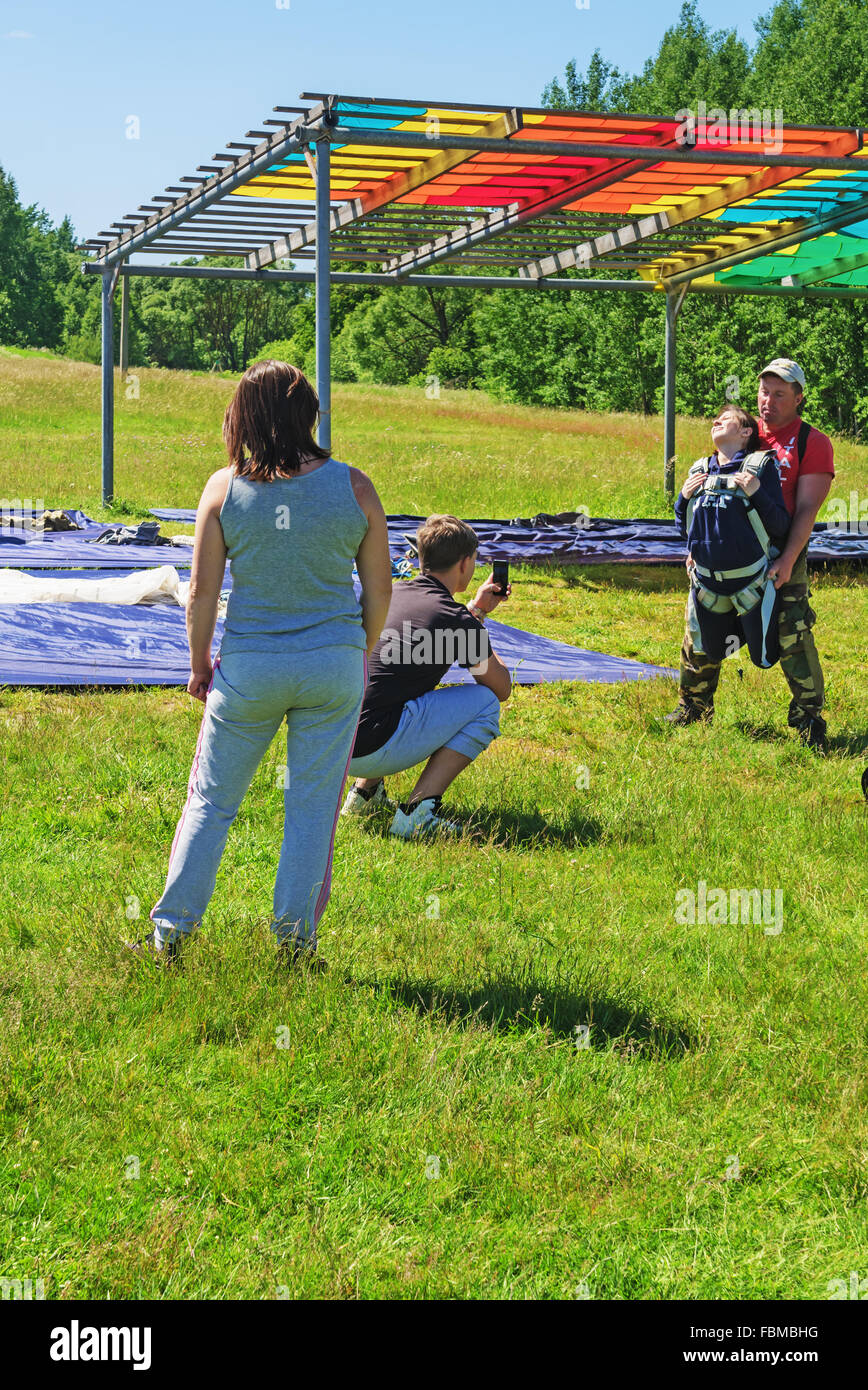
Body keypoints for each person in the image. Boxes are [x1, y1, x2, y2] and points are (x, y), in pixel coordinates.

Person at [133, 360, 392, 967]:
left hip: (249, 667)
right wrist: (358, 648)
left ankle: (171, 933)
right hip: (332, 668)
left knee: (212, 800)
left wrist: (199, 663)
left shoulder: (224, 490)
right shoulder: (356, 488)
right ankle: (293, 942)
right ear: (309, 413)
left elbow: (199, 590)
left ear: (243, 415)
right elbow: (379, 591)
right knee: (311, 807)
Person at [668, 359, 835, 750]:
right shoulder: (743, 431)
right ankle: (694, 706)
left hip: (780, 552)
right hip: (723, 555)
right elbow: (709, 491)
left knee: (791, 633)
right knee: (702, 628)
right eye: (764, 392)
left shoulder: (812, 442)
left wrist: (788, 559)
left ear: (798, 398)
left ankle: (807, 718)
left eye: (779, 394)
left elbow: (807, 509)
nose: (768, 401)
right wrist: (696, 547)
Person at [340, 514, 513, 838]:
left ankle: (364, 795)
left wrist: (475, 611)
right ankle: (419, 814)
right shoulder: (456, 620)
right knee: (484, 703)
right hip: (372, 746)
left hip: (332, 743)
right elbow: (500, 687)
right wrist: (475, 619)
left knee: (394, 683)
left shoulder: (391, 593)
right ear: (464, 564)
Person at [671, 404, 789, 682]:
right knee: (713, 651)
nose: (716, 421)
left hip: (751, 583)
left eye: (725, 419)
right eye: (715, 419)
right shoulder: (699, 470)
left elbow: (780, 526)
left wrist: (756, 492)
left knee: (764, 658)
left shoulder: (760, 467)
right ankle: (742, 624)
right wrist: (683, 499)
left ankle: (754, 621)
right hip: (707, 586)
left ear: (746, 431)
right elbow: (684, 530)